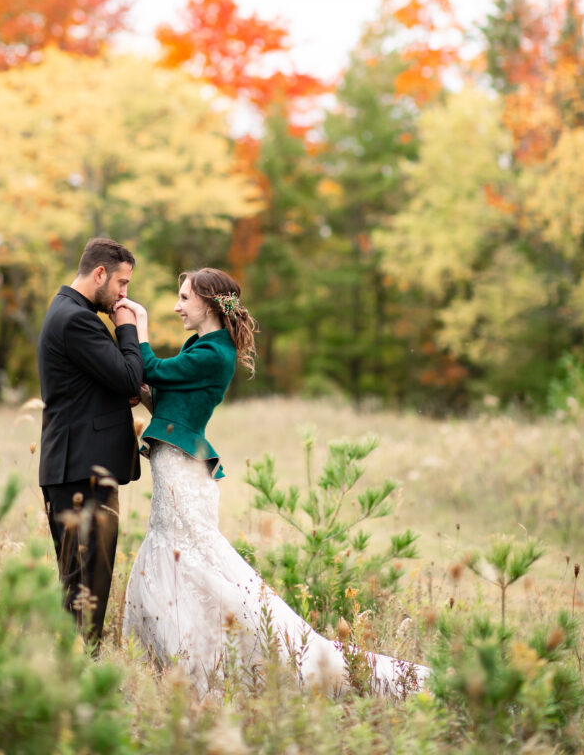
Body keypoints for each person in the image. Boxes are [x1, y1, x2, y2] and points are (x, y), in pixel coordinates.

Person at [116, 268, 429, 698]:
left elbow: (151, 367)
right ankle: (181, 662)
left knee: (194, 564)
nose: (178, 306)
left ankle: (218, 661)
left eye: (185, 297)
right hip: (177, 466)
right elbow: (171, 400)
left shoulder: (213, 353)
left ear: (208, 303)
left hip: (183, 473)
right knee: (178, 561)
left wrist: (137, 326)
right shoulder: (202, 347)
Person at [37, 236, 143, 646]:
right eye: (122, 282)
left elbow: (114, 380)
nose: (123, 294)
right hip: (81, 472)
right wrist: (129, 328)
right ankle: (84, 674)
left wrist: (122, 382)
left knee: (80, 586)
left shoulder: (67, 312)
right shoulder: (78, 319)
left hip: (75, 468)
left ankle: (76, 671)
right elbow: (130, 377)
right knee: (88, 589)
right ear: (99, 273)